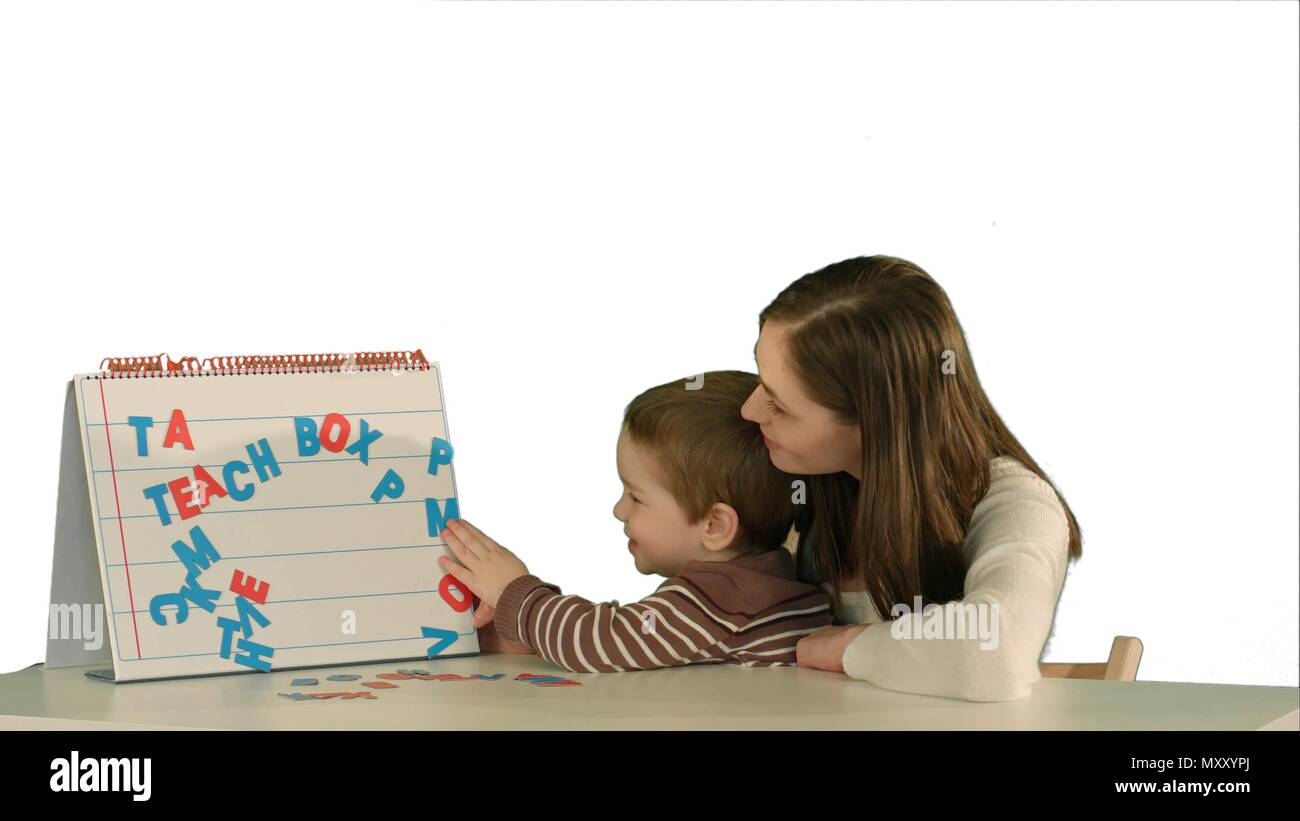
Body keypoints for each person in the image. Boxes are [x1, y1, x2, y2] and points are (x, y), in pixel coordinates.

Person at [742, 255, 1081, 702]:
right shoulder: (803, 485)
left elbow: (993, 653)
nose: (748, 410)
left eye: (780, 405)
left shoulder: (1016, 504)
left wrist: (844, 645)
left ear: (876, 421)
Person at [441, 370, 833, 672]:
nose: (619, 511)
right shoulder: (765, 582)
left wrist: (516, 594)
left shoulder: (724, 601)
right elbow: (635, 640)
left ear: (714, 526)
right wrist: (519, 634)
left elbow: (605, 642)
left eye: (636, 497)